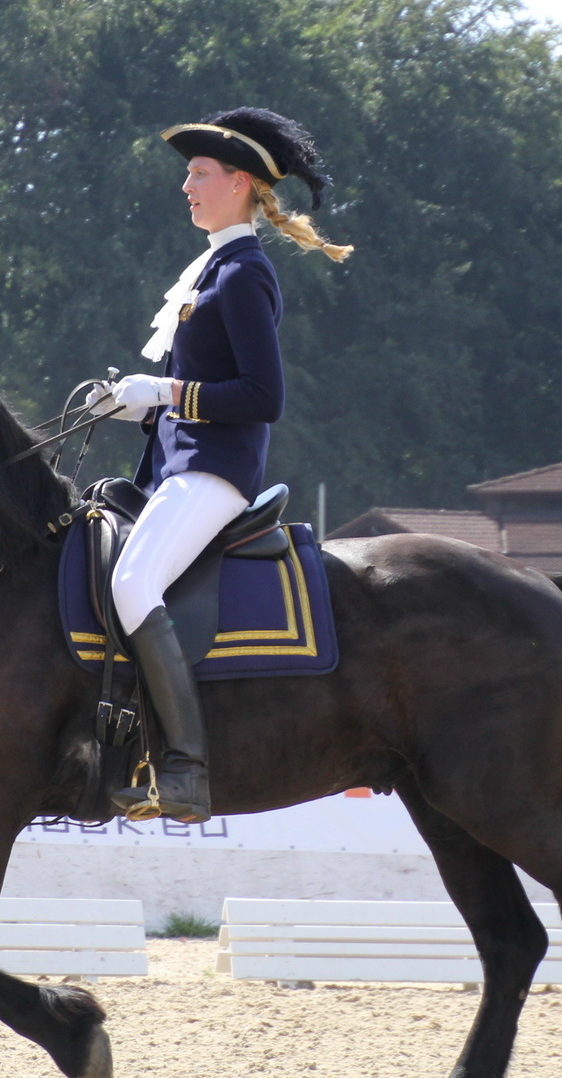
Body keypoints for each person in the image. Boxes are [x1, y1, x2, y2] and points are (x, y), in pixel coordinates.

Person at [91, 108, 353, 823]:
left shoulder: (243, 274)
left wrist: (167, 390)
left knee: (134, 579)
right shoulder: (208, 271)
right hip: (176, 467)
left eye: (199, 173)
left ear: (238, 182)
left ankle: (184, 769)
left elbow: (262, 397)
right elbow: (194, 399)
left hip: (214, 474)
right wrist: (137, 408)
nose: (186, 186)